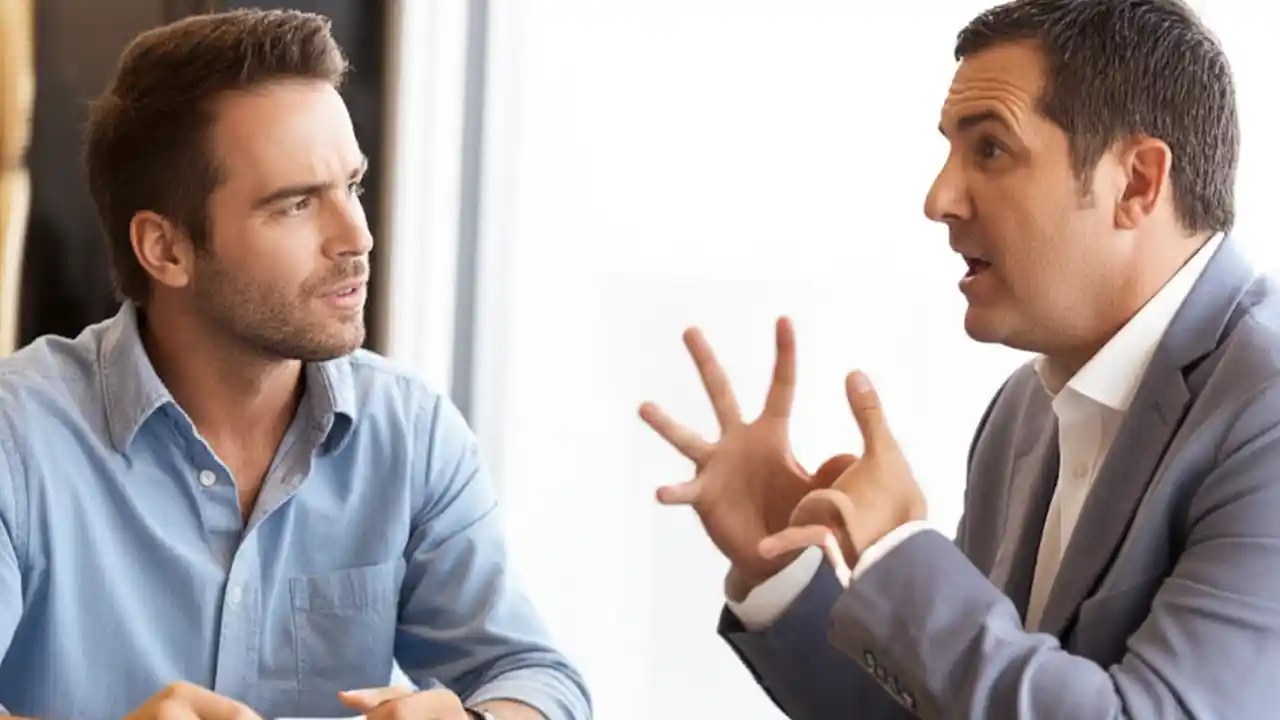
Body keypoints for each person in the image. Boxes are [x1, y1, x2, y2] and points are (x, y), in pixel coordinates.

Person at [641, 0, 1280, 717]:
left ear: (1136, 183)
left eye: (991, 150)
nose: (938, 198)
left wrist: (896, 550)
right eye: (949, 151)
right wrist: (789, 573)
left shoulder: (1267, 409)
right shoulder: (1022, 411)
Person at [0, 10, 589, 720]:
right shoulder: (20, 438)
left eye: (353, 187)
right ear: (167, 249)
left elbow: (535, 676)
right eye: (297, 204)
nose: (357, 237)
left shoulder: (409, 430)